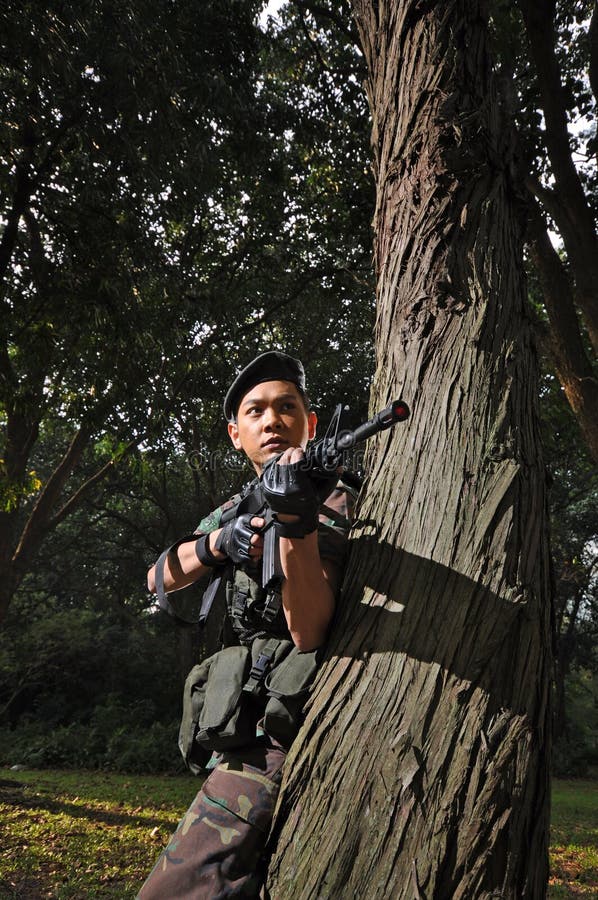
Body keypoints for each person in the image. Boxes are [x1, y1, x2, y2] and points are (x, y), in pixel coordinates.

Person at [137, 351, 355, 899]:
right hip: (243, 722)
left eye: (287, 407)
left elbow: (308, 632)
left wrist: (296, 525)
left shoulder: (334, 498)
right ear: (237, 435)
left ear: (310, 423)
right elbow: (158, 576)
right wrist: (219, 543)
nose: (272, 420)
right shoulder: (236, 505)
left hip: (286, 729)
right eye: (255, 411)